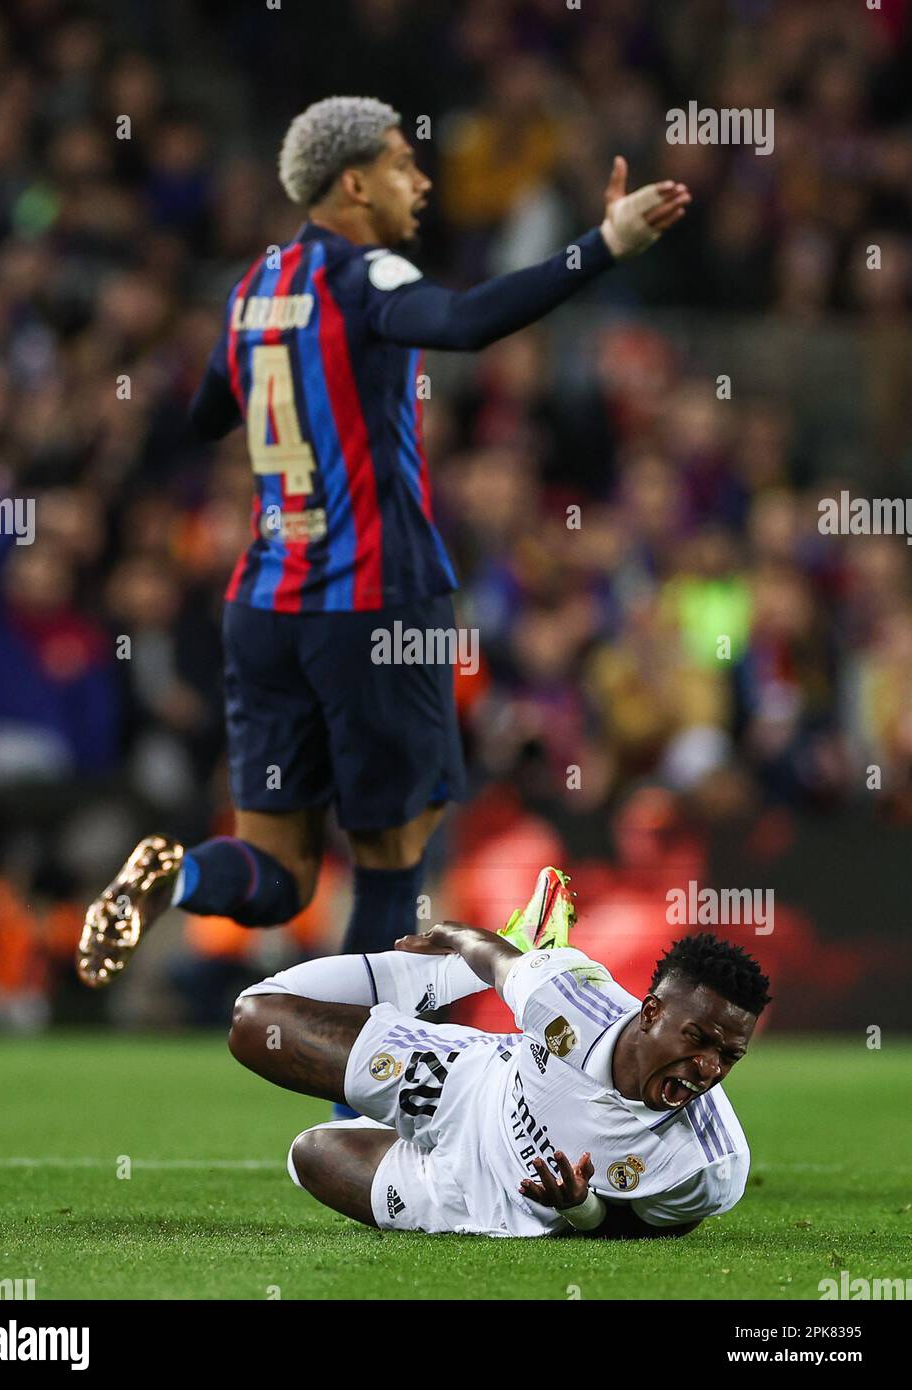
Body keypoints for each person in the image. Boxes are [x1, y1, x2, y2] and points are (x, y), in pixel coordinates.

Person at [77, 98, 691, 1009]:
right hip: (373, 605)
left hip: (263, 605)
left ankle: (180, 881)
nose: (424, 179)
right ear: (354, 183)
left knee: (277, 871)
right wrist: (598, 245)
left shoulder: (256, 285)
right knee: (391, 867)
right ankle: (360, 1112)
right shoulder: (367, 273)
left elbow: (206, 414)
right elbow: (469, 321)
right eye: (406, 163)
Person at [227, 868, 770, 1237]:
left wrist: (582, 1208)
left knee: (309, 1155)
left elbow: (650, 1227)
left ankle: (368, 1122)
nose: (709, 1069)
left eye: (730, 1055)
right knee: (253, 1020)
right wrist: (447, 947)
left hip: (480, 1199)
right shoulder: (571, 1000)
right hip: (463, 1081)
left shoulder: (712, 1161)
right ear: (651, 1011)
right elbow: (494, 956)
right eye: (697, 1039)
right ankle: (432, 991)